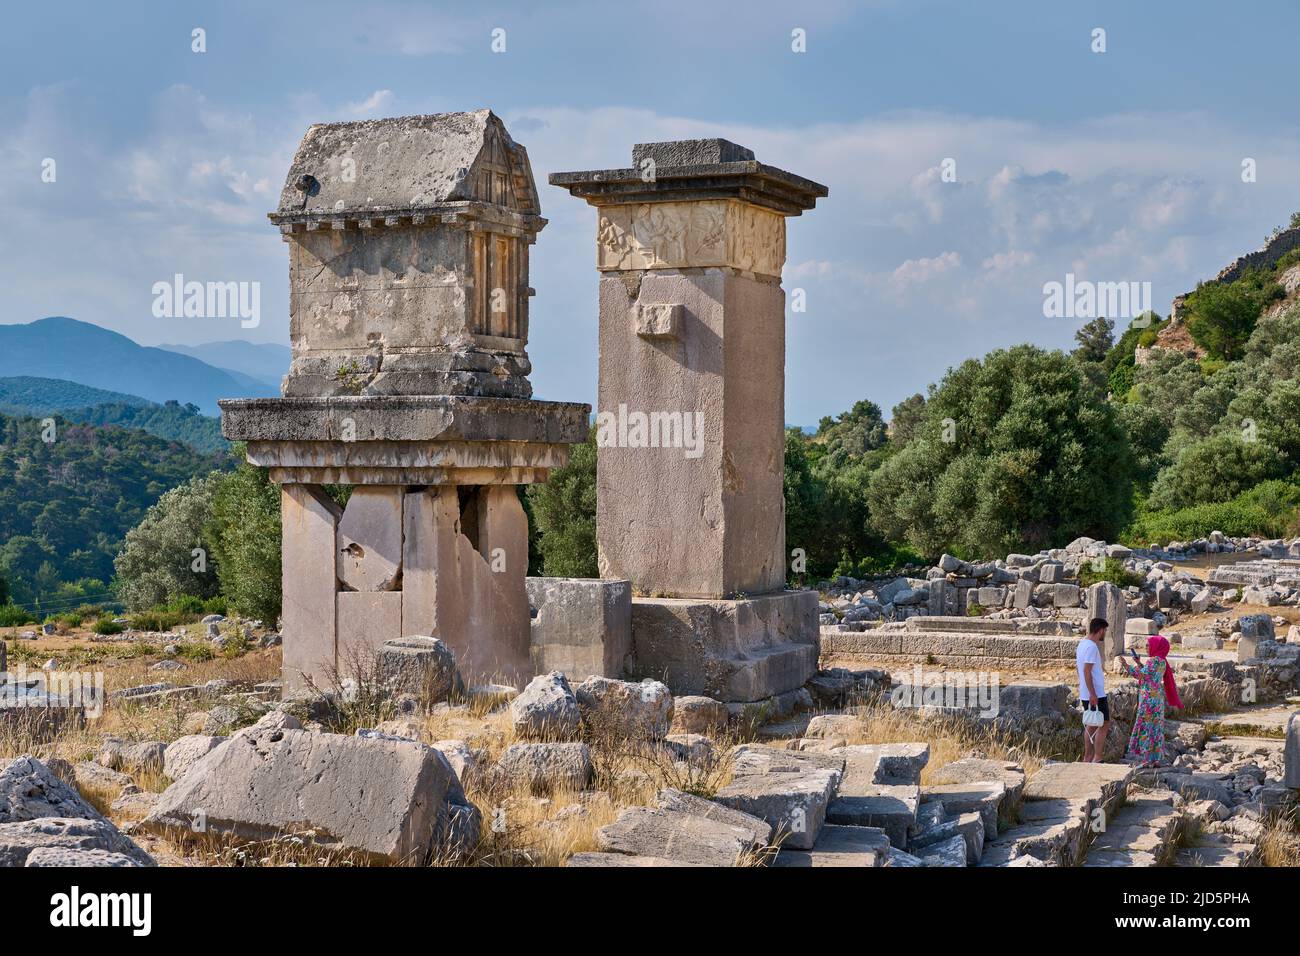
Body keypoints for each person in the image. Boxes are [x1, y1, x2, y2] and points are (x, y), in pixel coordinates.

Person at [1122, 634, 1183, 768]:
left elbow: (1141, 675)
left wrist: (1127, 666)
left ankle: (1146, 759)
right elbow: (1150, 674)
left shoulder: (1153, 661)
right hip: (1157, 700)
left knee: (1146, 727)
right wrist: (1139, 663)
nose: (1146, 647)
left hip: (1148, 700)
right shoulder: (1161, 661)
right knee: (1155, 728)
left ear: (1157, 646)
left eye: (1149, 645)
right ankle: (1155, 759)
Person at [1076, 618, 1110, 762]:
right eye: (1105, 631)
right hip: (1094, 693)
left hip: (1086, 692)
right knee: (1103, 723)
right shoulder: (1091, 647)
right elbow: (1086, 670)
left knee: (1091, 724)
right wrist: (1093, 693)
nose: (1105, 634)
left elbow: (1080, 670)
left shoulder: (1082, 644)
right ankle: (1096, 757)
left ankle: (1087, 757)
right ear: (1100, 630)